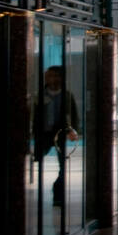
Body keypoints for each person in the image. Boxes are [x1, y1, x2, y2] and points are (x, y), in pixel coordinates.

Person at [33, 66, 79, 207]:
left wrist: (74, 131)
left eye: (55, 76)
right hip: (43, 134)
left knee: (63, 166)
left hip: (60, 134)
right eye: (49, 76)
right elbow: (34, 116)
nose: (52, 79)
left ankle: (58, 193)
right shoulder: (40, 95)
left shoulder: (66, 95)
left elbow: (73, 115)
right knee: (36, 160)